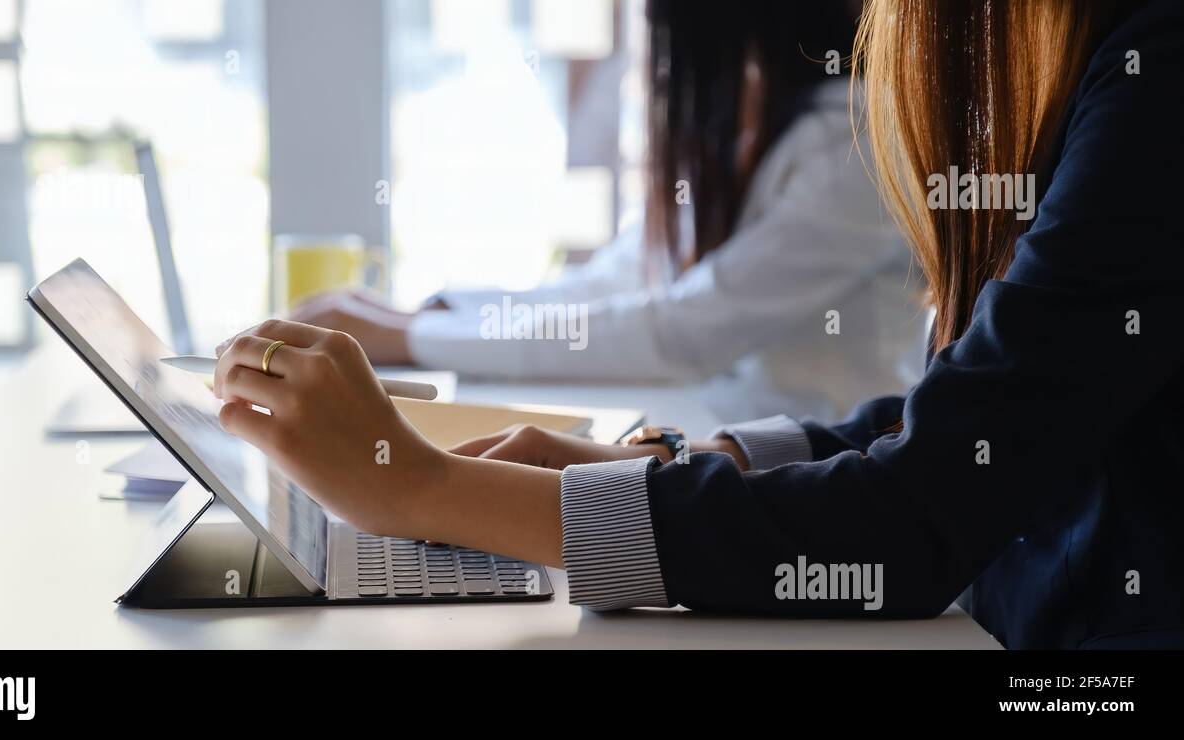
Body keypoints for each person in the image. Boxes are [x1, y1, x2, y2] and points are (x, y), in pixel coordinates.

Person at [213, 0, 1184, 648]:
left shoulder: (1149, 74)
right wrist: (672, 462)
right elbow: (963, 421)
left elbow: (904, 519)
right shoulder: (1085, 67)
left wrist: (421, 487)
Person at [289, 0, 926, 424]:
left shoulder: (860, 139)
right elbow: (623, 278)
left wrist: (411, 339)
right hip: (730, 436)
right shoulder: (764, 115)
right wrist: (429, 317)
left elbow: (681, 331)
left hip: (822, 472)